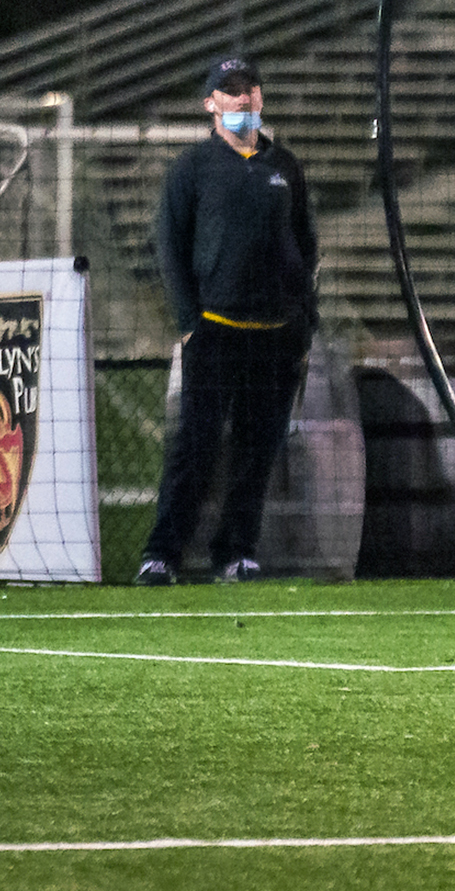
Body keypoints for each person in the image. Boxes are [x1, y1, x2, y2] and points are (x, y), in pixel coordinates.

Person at [134, 56, 318, 585]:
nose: (241, 100)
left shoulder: (284, 165)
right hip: (214, 332)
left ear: (260, 98)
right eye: (230, 91)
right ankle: (162, 554)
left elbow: (305, 245)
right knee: (196, 445)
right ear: (209, 104)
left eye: (249, 90)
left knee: (258, 449)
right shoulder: (191, 168)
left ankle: (235, 554)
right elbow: (168, 244)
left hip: (276, 335)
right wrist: (190, 321)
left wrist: (305, 318)